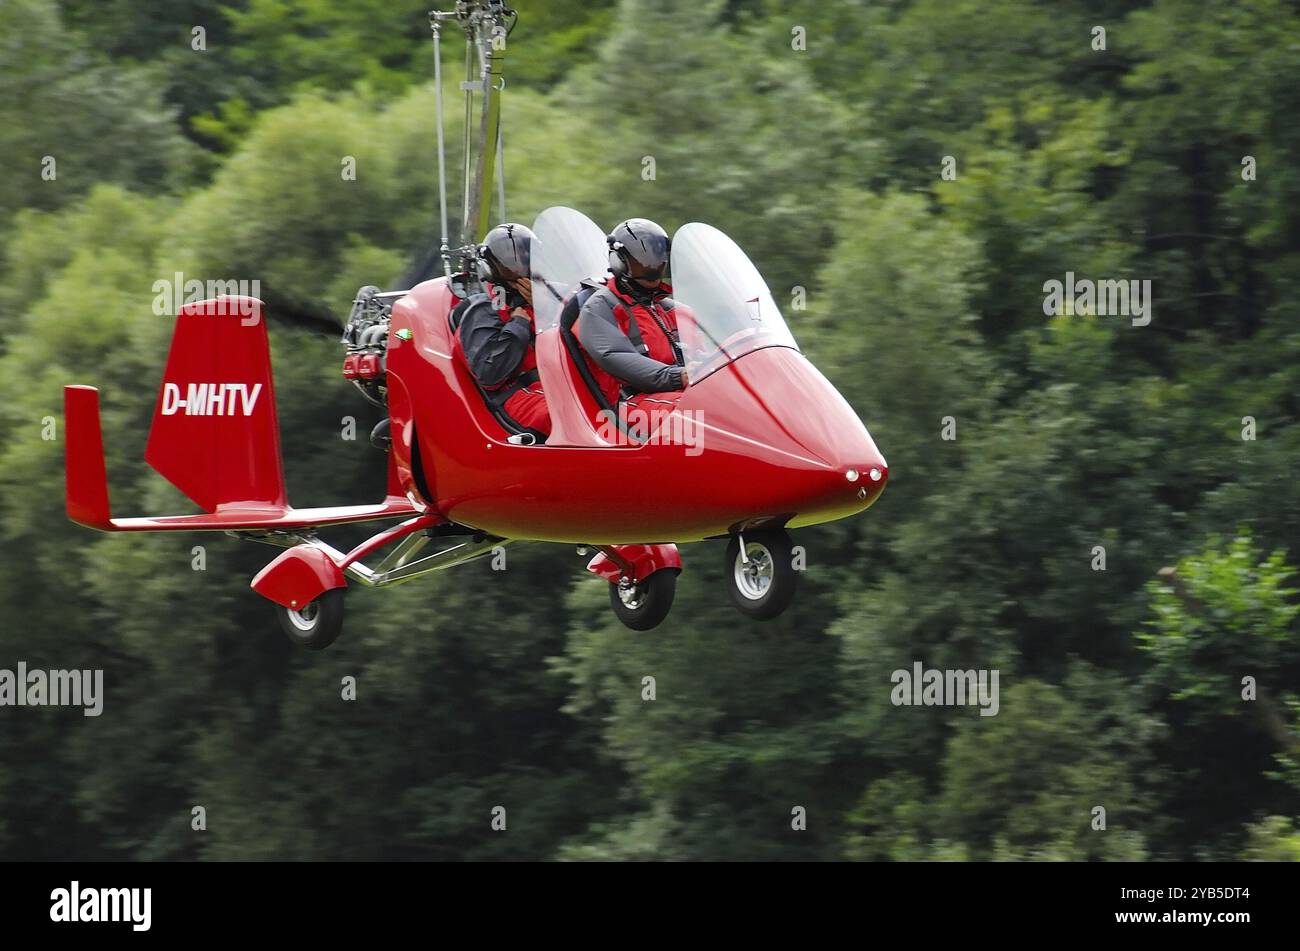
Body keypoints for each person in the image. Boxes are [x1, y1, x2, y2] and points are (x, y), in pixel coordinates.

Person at [574, 218, 688, 423]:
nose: (651, 267)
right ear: (618, 261)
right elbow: (615, 356)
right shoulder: (600, 306)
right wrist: (677, 376)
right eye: (641, 261)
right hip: (631, 402)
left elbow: (704, 353)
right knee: (704, 415)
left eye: (656, 258)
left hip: (678, 391)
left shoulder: (669, 308)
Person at [454, 223, 550, 438]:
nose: (519, 264)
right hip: (523, 395)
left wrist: (547, 308)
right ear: (490, 268)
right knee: (574, 416)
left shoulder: (552, 298)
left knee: (620, 411)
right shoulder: (483, 311)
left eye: (526, 254)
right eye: (510, 258)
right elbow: (490, 374)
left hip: (562, 385)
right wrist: (518, 326)